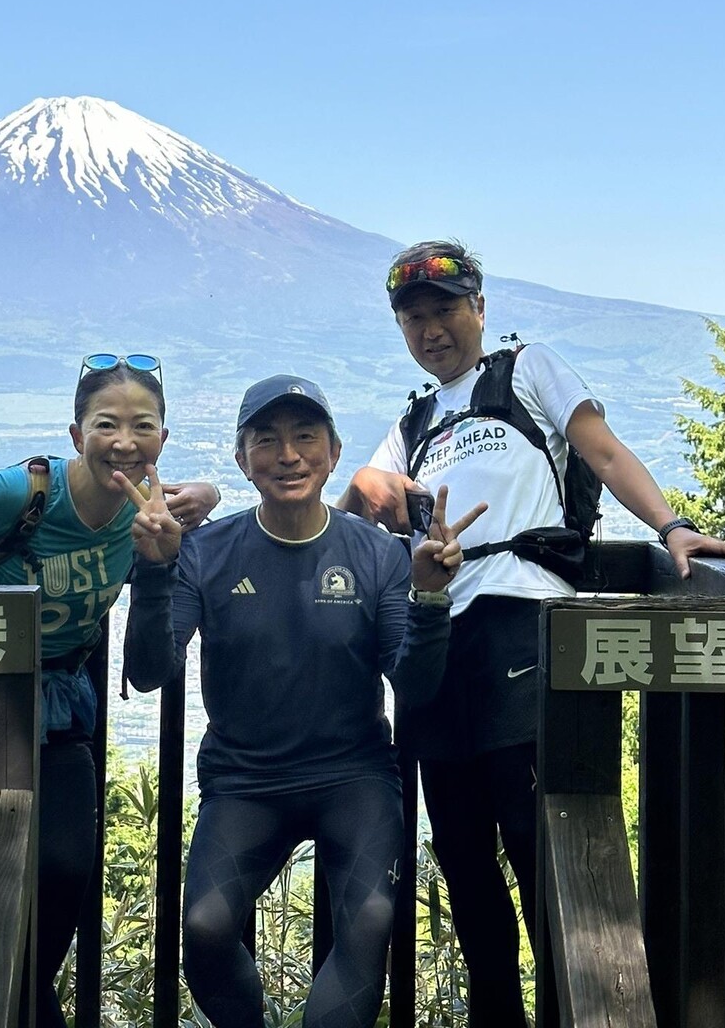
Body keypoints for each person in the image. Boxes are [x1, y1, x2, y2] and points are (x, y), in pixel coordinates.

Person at [337, 240, 725, 1028]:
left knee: (540, 844)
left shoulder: (526, 370)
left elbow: (598, 446)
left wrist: (674, 525)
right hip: (438, 640)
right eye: (414, 318)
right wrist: (362, 487)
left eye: (445, 311)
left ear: (480, 310)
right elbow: (349, 517)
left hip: (524, 625)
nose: (431, 331)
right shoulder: (414, 421)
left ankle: (572, 1007)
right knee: (463, 860)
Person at [121, 373, 481, 1028]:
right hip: (246, 780)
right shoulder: (205, 550)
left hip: (355, 775)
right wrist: (153, 571)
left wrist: (430, 598)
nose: (288, 455)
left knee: (370, 921)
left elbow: (416, 686)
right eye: (268, 439)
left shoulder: (376, 554)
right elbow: (149, 672)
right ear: (241, 459)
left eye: (305, 437)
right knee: (203, 928)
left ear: (333, 453)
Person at [0, 353, 218, 1028]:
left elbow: (193, 509)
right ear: (75, 435)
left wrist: (182, 527)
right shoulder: (22, 491)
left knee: (63, 867)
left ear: (162, 441)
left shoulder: (149, 513)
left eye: (142, 425)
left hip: (55, 703)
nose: (124, 439)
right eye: (106, 424)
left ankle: (19, 1008)